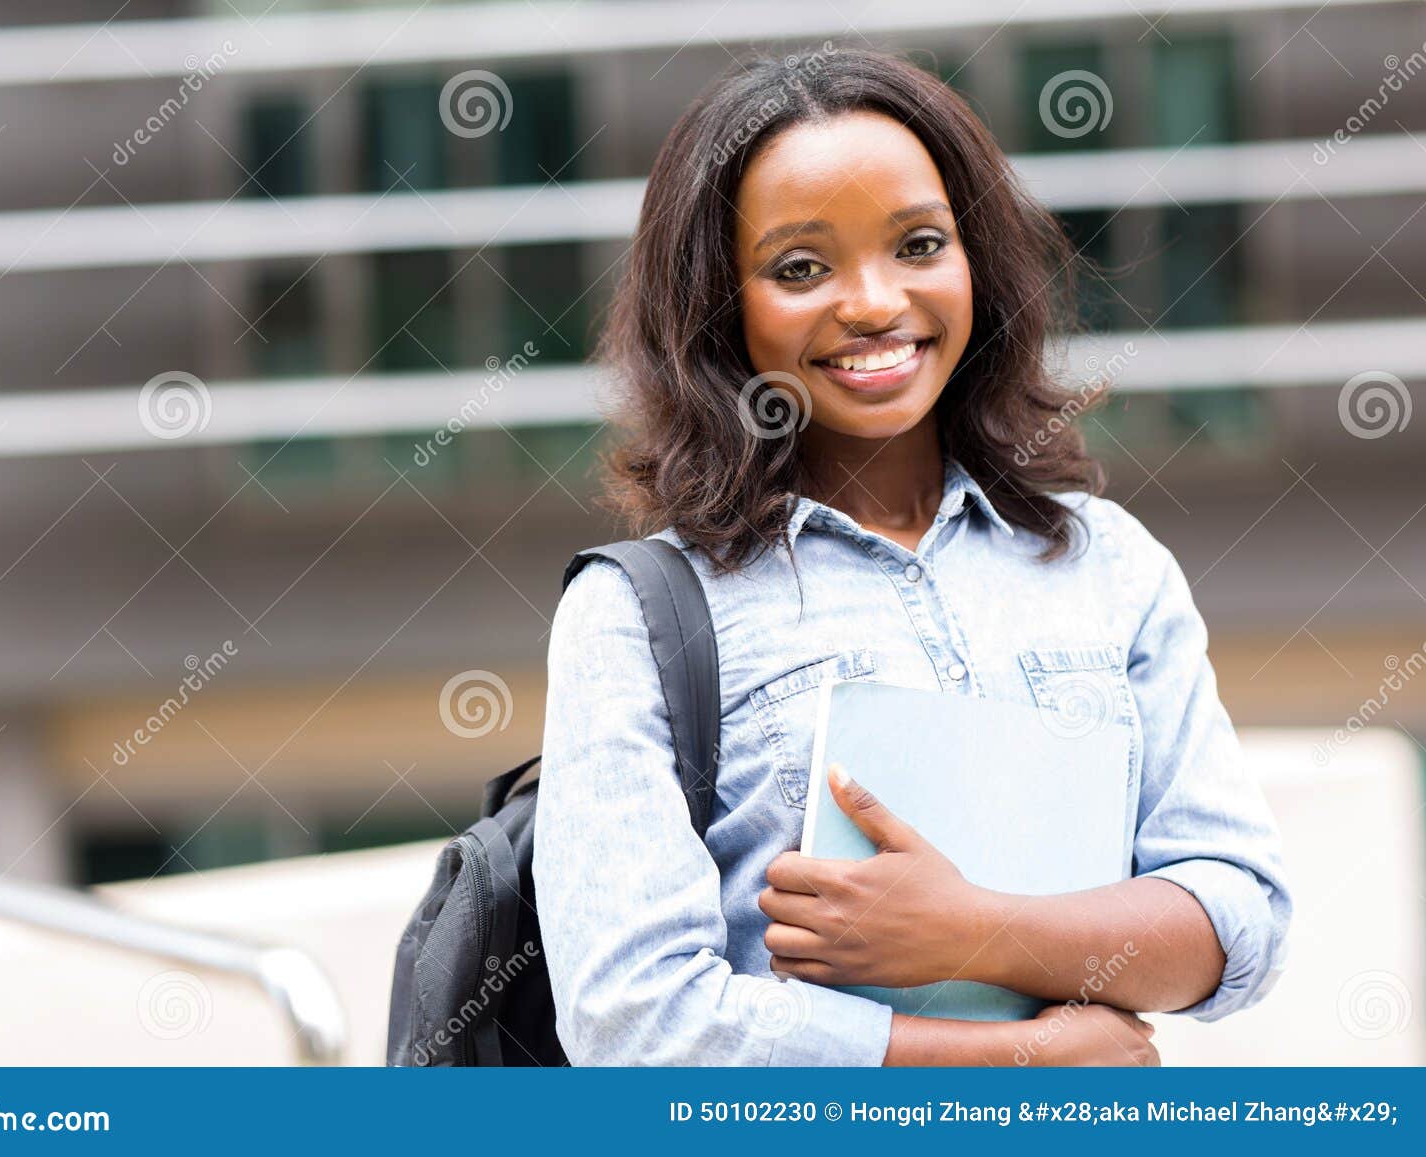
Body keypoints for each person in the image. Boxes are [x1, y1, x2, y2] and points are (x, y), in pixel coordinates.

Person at [531, 47, 1290, 1066]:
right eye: (801, 267)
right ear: (718, 306)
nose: (875, 302)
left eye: (919, 243)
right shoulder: (638, 615)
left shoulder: (1106, 563)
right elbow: (634, 1024)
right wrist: (1004, 1063)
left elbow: (1238, 916)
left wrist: (975, 926)